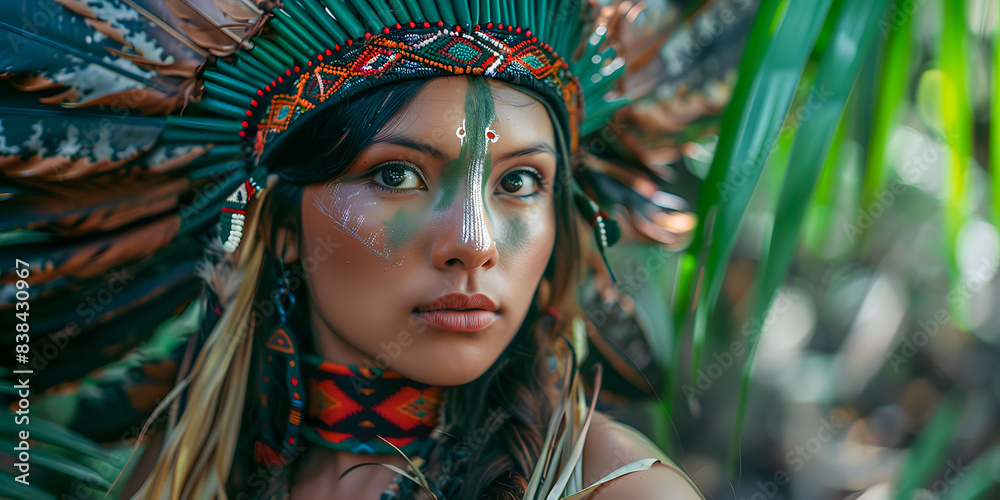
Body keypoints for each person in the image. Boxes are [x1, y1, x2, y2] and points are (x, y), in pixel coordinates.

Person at [1, 0, 710, 498]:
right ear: (280, 224)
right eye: (396, 175)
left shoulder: (620, 491)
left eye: (520, 181)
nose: (474, 243)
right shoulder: (178, 474)